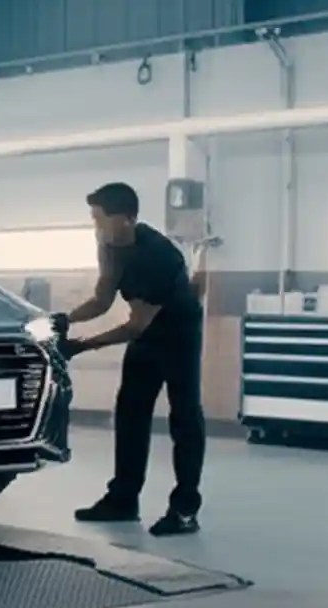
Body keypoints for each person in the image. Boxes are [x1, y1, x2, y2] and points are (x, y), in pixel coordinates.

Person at [50, 182, 207, 537]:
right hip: (148, 331)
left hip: (178, 332)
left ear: (126, 219)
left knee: (185, 416)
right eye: (93, 219)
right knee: (131, 411)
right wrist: (65, 319)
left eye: (100, 219)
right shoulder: (108, 245)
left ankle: (184, 510)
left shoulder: (157, 256)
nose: (96, 227)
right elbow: (103, 299)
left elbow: (135, 325)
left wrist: (81, 345)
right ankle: (123, 499)